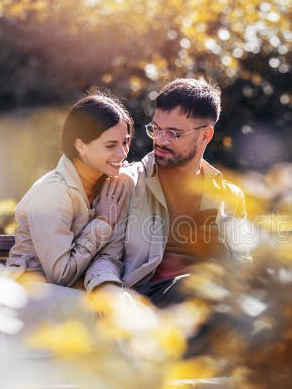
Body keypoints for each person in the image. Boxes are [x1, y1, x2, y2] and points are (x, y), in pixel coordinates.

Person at [85, 78, 246, 305]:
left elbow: (242, 262)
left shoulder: (229, 196)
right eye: (157, 129)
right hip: (146, 299)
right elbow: (106, 256)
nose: (160, 141)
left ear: (205, 135)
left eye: (173, 133)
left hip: (209, 305)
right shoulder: (126, 183)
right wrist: (109, 294)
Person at [6, 93, 132, 289]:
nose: (122, 153)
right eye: (110, 145)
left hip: (72, 296)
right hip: (30, 298)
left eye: (125, 142)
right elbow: (60, 276)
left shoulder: (107, 185)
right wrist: (102, 223)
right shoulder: (52, 193)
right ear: (80, 145)